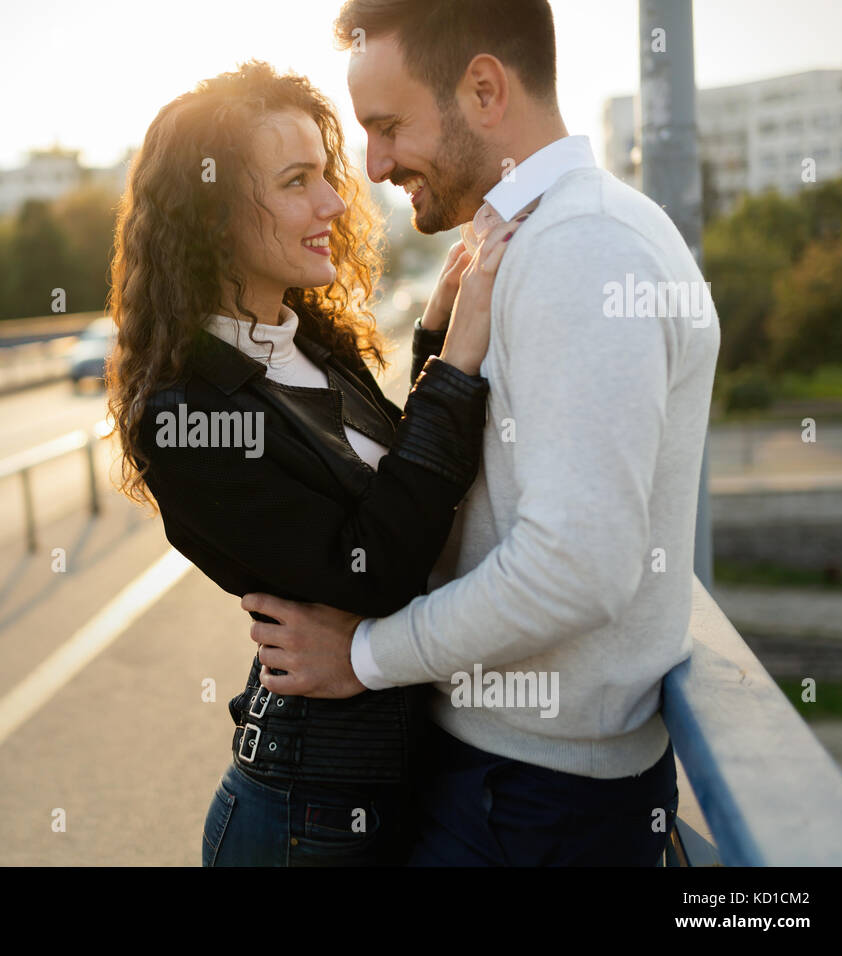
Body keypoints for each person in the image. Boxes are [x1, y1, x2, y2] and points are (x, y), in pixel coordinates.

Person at [239, 0, 722, 866]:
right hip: (503, 778)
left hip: (534, 803)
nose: (374, 166)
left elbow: (577, 566)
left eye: (387, 127)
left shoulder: (586, 253)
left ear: (486, 89)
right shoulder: (528, 241)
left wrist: (366, 654)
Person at [105, 59, 525, 866]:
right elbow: (377, 567)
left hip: (397, 780)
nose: (336, 202)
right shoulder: (185, 417)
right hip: (308, 814)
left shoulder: (308, 342)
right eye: (298, 181)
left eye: (325, 175)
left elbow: (397, 482)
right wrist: (459, 372)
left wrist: (436, 340)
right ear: (211, 216)